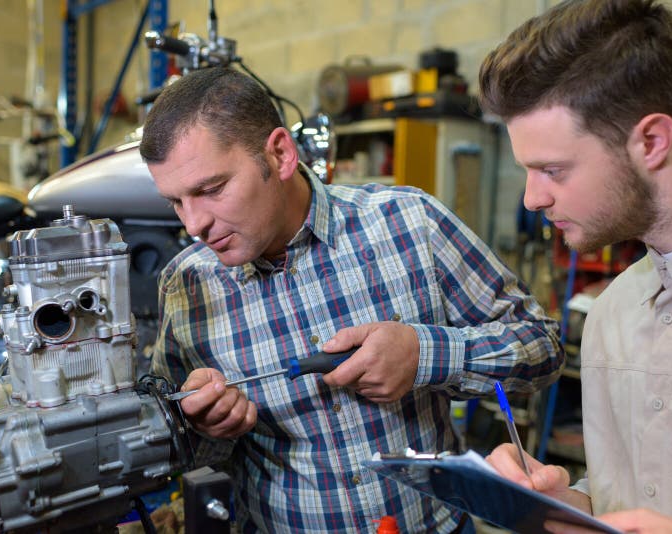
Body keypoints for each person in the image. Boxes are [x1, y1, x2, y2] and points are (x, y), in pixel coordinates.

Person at [139, 66, 564, 533]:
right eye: (176, 202)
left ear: (279, 154)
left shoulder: (408, 223)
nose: (193, 224)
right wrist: (207, 428)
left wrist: (426, 355)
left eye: (211, 189)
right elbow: (175, 451)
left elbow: (541, 346)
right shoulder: (187, 287)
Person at [478, 0, 672, 531]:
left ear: (651, 141)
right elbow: (628, 501)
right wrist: (568, 504)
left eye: (553, 170)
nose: (533, 198)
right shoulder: (613, 314)